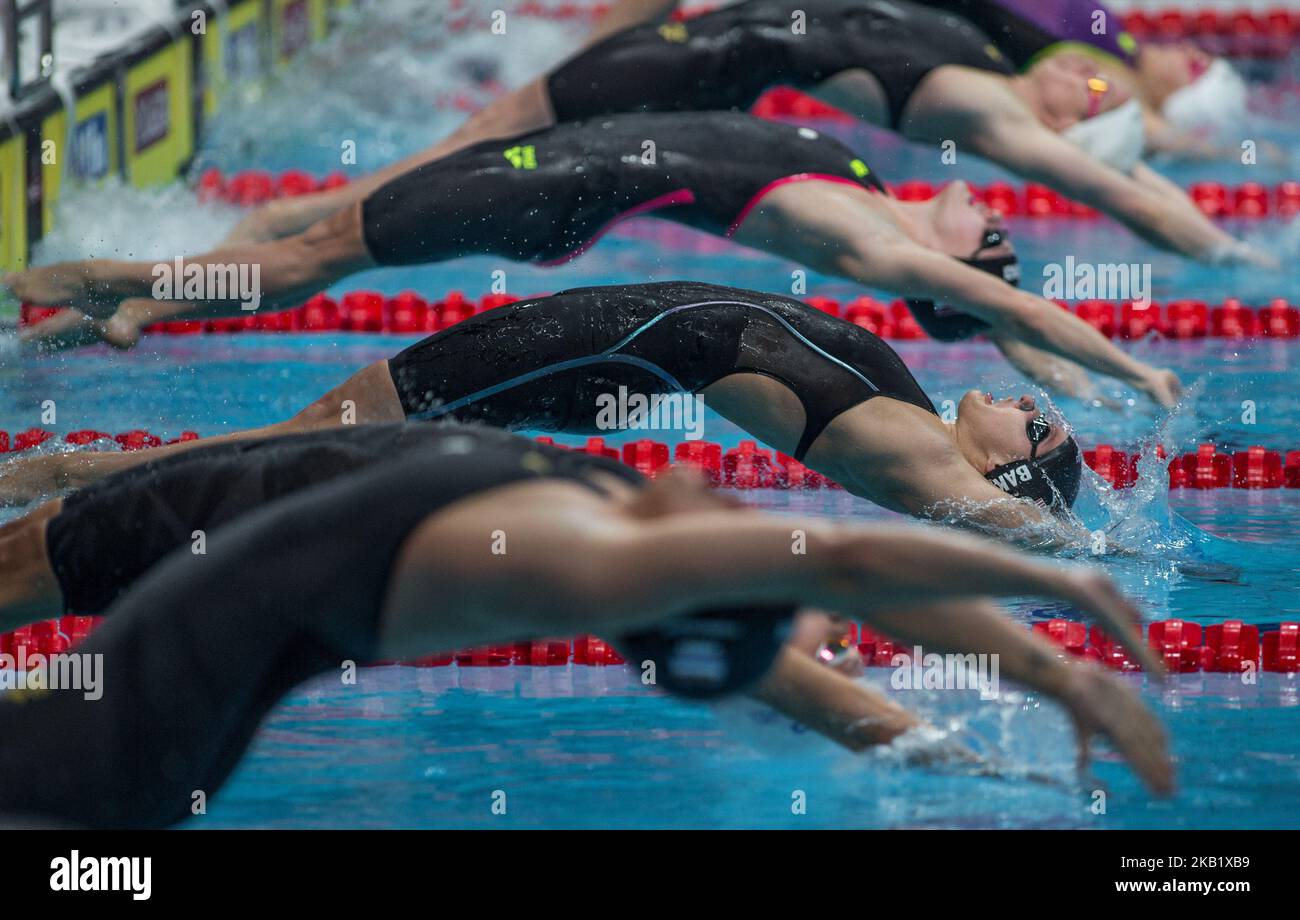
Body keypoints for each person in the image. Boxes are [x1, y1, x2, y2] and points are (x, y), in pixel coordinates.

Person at [0, 423, 1172, 827]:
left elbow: (851, 555)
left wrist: (1063, 625)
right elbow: (847, 581)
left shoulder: (590, 557)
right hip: (149, 723)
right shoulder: (598, 509)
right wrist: (1033, 659)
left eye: (729, 539)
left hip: (111, 764)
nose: (733, 507)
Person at [7, 113, 1180, 408]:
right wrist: (1036, 342)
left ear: (942, 277)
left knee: (307, 261)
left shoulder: (874, 241)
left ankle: (99, 281)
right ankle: (127, 307)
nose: (1001, 228)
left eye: (995, 254)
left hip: (540, 187)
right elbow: (1002, 313)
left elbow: (988, 303)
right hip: (551, 178)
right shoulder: (879, 194)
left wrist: (1141, 374)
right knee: (313, 252)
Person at [1, 281, 1099, 549]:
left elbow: (1017, 527)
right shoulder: (913, 412)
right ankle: (64, 477)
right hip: (565, 339)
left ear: (1006, 470)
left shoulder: (924, 470)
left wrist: (1094, 544)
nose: (1027, 404)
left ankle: (57, 481)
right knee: (307, 442)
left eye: (1037, 426)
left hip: (551, 356)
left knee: (302, 445)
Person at [206, 0, 1268, 267]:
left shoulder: (993, 96)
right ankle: (248, 241)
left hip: (674, 59)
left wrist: (1228, 242)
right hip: (676, 55)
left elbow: (1113, 184)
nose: (1076, 86)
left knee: (441, 165)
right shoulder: (997, 80)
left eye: (1088, 93)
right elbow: (1120, 187)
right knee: (439, 163)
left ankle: (246, 239)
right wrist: (1234, 251)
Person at [913, 0, 1262, 161]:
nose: (1189, 50)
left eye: (1196, 69)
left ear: (1177, 100)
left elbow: (1153, 130)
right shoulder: (1124, 49)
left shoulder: (1112, 83)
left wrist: (1229, 155)